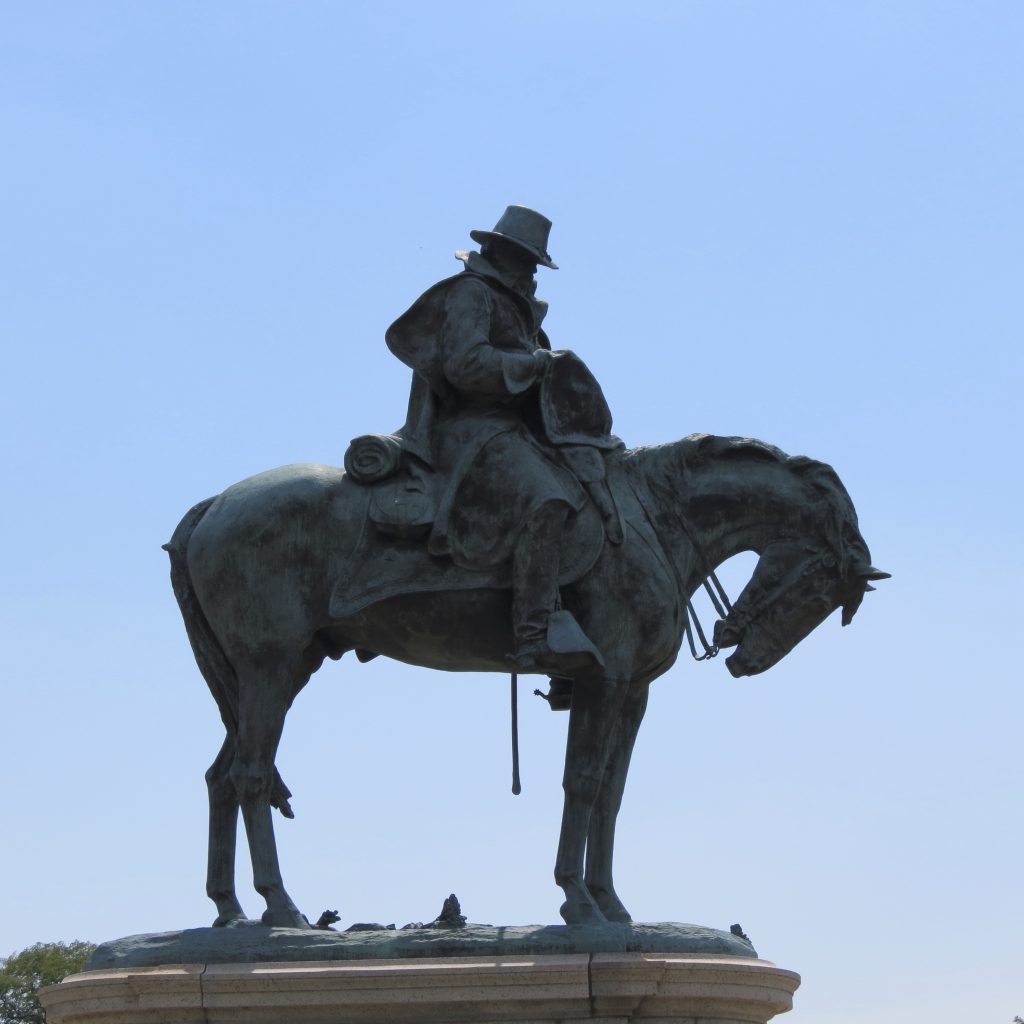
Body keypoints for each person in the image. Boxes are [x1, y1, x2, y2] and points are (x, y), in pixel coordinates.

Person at [385, 206, 621, 676]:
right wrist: (536, 365)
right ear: (500, 253)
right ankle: (534, 636)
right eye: (527, 260)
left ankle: (575, 628)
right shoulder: (471, 293)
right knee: (548, 499)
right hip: (468, 429)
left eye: (536, 264)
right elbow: (465, 364)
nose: (531, 272)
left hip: (513, 430)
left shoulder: (517, 308)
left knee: (592, 493)